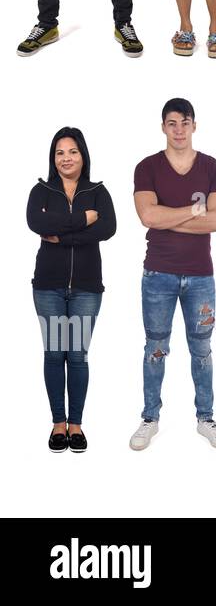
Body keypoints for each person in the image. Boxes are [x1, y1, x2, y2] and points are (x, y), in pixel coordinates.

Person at [130, 98, 216, 452]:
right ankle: (149, 418)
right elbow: (148, 218)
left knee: (202, 350)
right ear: (163, 127)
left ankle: (206, 418)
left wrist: (168, 215)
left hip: (201, 277)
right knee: (155, 347)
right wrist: (192, 210)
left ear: (194, 125)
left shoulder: (213, 168)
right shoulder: (147, 168)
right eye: (171, 123)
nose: (178, 129)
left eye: (184, 122)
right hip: (157, 274)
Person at [27, 128, 116, 452]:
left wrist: (62, 234)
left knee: (76, 355)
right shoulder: (42, 191)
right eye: (60, 152)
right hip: (49, 287)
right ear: (53, 158)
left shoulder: (97, 191)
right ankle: (57, 424)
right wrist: (83, 219)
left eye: (72, 151)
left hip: (85, 290)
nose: (66, 158)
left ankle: (75, 425)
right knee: (54, 353)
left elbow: (108, 228)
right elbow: (37, 223)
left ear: (83, 155)